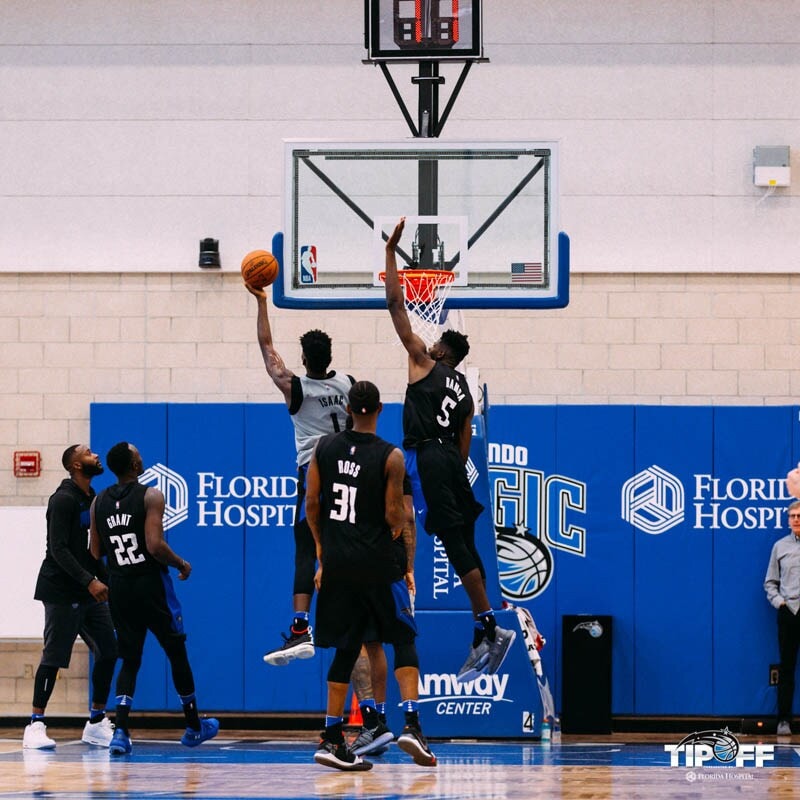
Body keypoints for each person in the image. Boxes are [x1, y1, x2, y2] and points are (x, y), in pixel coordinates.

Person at [384, 217, 515, 682]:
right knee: (462, 543)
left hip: (429, 458)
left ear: (440, 350)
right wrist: (447, 470)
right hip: (449, 462)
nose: (430, 340)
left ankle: (489, 628)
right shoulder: (463, 385)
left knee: (455, 544)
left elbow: (397, 307)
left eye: (436, 339)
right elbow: (465, 438)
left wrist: (390, 255)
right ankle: (485, 628)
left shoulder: (423, 362)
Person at [307, 381, 436, 771]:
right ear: (380, 408)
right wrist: (402, 552)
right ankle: (411, 724)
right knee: (403, 637)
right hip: (379, 563)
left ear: (348, 408)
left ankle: (333, 737)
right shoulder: (391, 456)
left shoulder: (323, 448)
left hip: (339, 563)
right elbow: (396, 516)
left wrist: (321, 552)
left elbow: (312, 503)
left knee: (348, 649)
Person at [247, 283, 354, 666]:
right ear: (330, 357)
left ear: (305, 360)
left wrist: (262, 301)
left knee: (306, 548)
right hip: (351, 472)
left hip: (315, 471)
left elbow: (267, 350)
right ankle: (348, 616)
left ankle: (299, 627)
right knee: (346, 545)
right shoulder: (348, 384)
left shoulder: (298, 387)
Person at [89, 441, 219, 755]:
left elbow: (94, 552)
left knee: (129, 659)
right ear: (134, 465)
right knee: (176, 651)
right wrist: (182, 564)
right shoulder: (151, 495)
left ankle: (120, 731)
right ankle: (192, 726)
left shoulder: (98, 503)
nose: (142, 457)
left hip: (120, 586)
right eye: (138, 455)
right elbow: (154, 544)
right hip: (151, 585)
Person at [23, 444, 117, 750]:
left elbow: (90, 551)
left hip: (87, 590)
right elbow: (58, 550)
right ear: (76, 465)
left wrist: (106, 580)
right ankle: (35, 725)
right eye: (89, 453)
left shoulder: (91, 498)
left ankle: (96, 722)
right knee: (54, 657)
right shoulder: (62, 499)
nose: (96, 456)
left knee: (108, 650)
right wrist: (89, 581)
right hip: (61, 591)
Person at [764, 499, 800, 736]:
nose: (797, 519)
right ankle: (784, 720)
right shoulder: (780, 546)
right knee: (787, 668)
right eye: (793, 516)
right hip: (789, 614)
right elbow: (770, 582)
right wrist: (781, 603)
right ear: (788, 520)